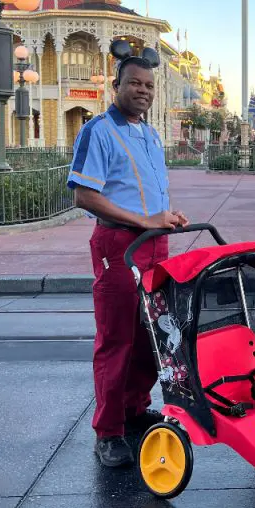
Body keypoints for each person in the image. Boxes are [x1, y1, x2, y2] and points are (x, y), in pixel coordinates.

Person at [67, 39, 189, 468]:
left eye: (149, 85)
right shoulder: (99, 130)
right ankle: (109, 431)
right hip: (118, 245)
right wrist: (144, 221)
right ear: (116, 85)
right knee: (117, 338)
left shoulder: (151, 134)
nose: (143, 91)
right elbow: (84, 195)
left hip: (156, 244)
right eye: (134, 83)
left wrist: (165, 216)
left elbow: (146, 196)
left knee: (151, 337)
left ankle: (135, 409)